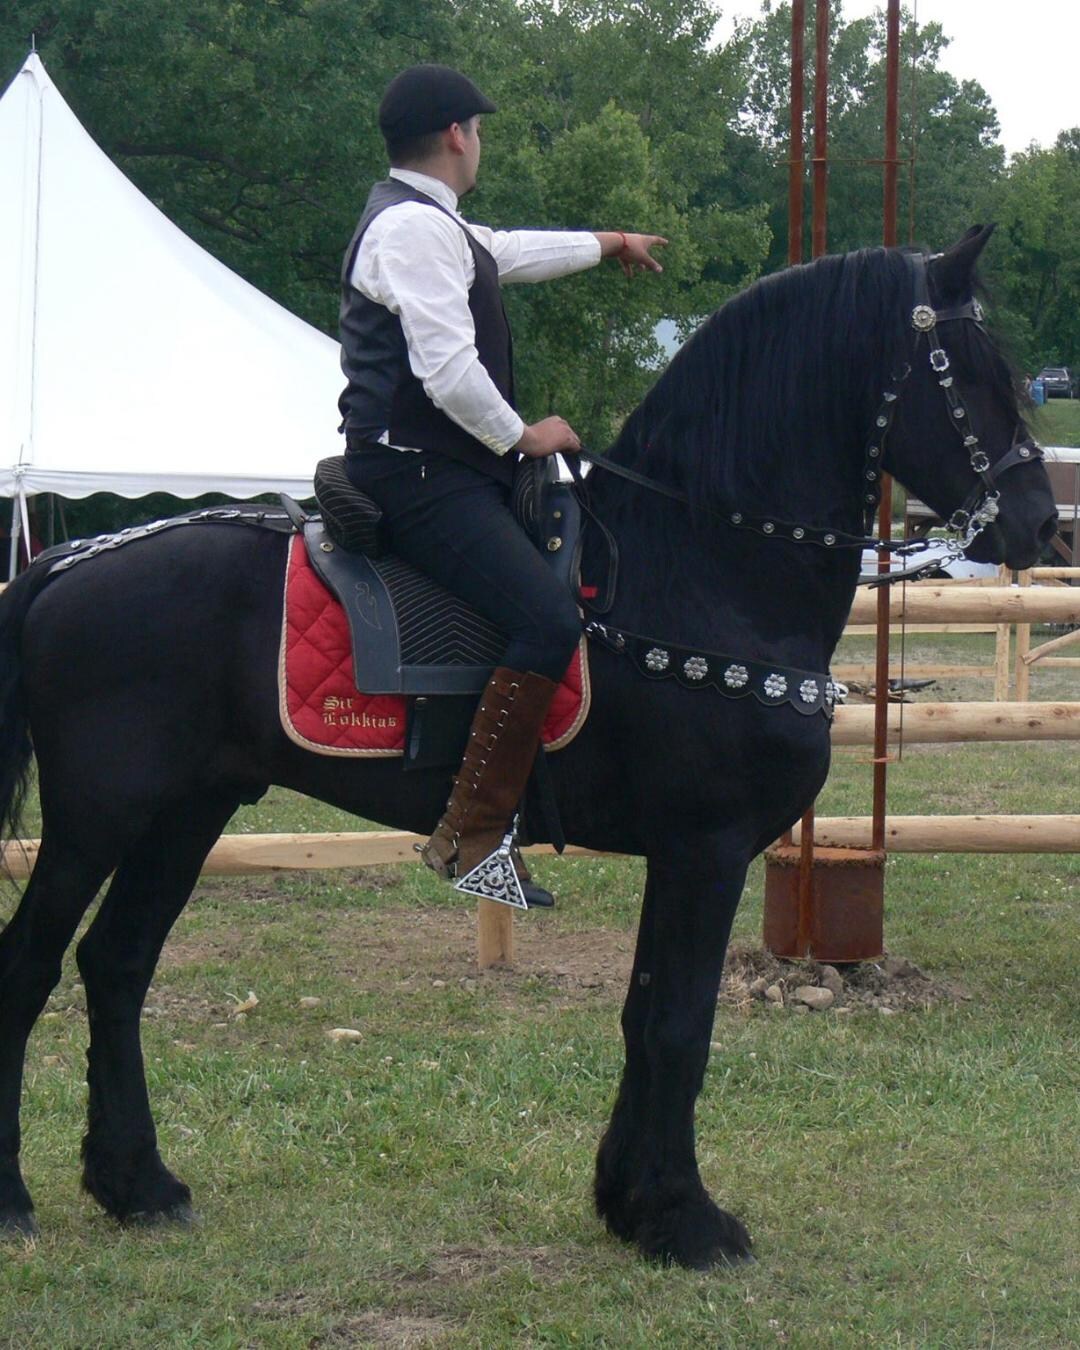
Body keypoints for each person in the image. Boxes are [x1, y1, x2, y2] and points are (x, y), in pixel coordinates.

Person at [338, 64, 667, 908]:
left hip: (436, 466)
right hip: (417, 473)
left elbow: (507, 250)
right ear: (456, 134)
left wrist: (608, 242)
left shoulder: (434, 225)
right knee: (547, 616)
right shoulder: (412, 231)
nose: (479, 144)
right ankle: (472, 833)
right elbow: (447, 369)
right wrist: (524, 435)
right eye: (477, 131)